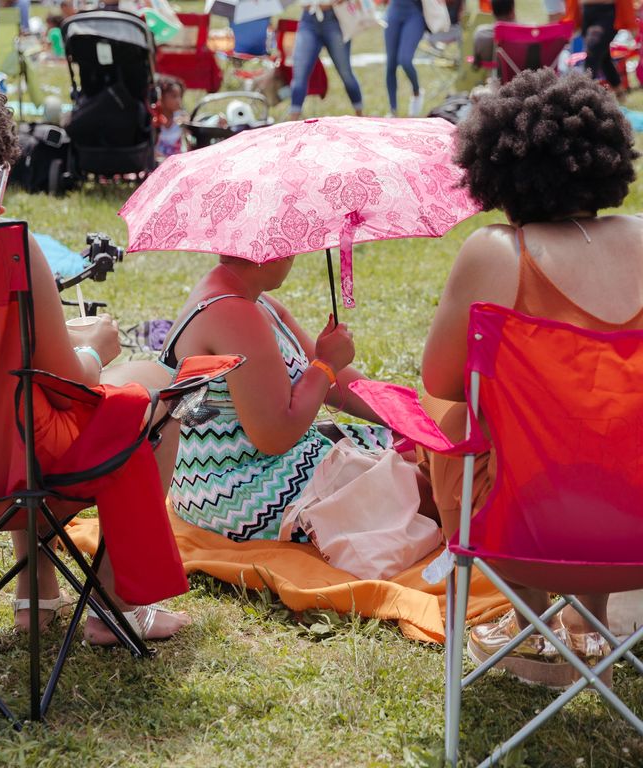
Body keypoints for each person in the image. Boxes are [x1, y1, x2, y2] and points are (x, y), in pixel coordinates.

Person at [0, 41, 190, 643]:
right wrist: (97, 346)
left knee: (24, 400)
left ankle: (37, 593)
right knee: (154, 383)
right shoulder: (6, 246)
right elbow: (71, 381)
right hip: (6, 475)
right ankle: (118, 604)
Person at [420, 68, 639, 685]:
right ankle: (590, 625)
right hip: (636, 525)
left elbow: (440, 379)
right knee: (605, 413)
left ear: (495, 169)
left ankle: (529, 621)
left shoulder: (495, 252)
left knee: (453, 412)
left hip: (524, 530)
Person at [157, 256, 437, 541]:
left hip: (252, 467)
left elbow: (324, 375)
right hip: (242, 488)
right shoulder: (233, 312)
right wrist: (326, 366)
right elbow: (275, 436)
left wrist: (404, 416)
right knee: (435, 490)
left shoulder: (251, 298)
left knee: (416, 452)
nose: (294, 257)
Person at [289, 5, 364, 120]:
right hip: (308, 19)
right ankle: (293, 121)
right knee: (299, 74)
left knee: (346, 73)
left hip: (334, 19)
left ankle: (361, 116)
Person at [384, 0, 425, 117]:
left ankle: (416, 91)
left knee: (405, 60)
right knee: (391, 64)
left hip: (414, 13)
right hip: (394, 10)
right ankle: (393, 110)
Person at [472, 0, 516, 69]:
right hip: (519, 72)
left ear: (492, 12)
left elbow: (477, 61)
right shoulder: (524, 34)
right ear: (512, 11)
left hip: (493, 72)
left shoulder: (480, 34)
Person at [154, 75, 186, 161]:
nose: (178, 101)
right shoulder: (154, 120)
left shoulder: (182, 119)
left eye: (180, 96)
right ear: (161, 96)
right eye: (174, 96)